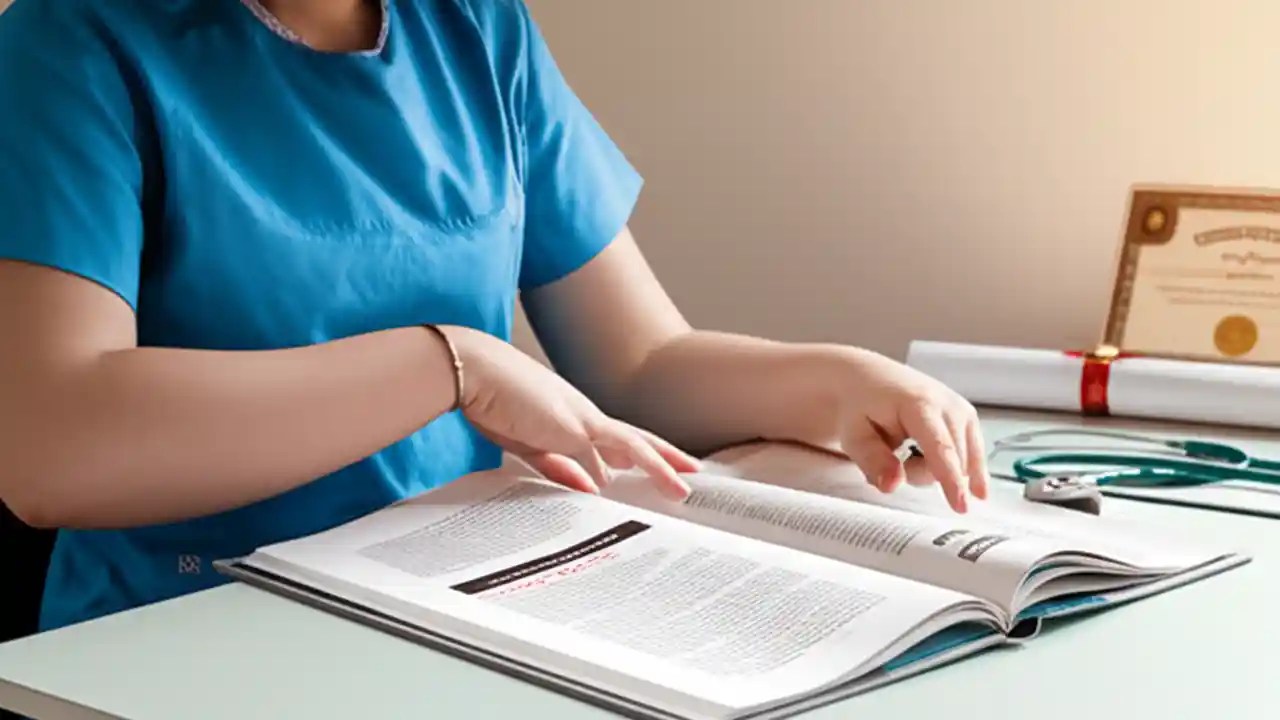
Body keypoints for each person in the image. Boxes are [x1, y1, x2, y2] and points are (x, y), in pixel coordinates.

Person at [0, 0, 988, 634]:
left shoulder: (475, 28)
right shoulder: (68, 42)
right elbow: (51, 448)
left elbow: (636, 364)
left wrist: (840, 380)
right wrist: (449, 363)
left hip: (460, 603)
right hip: (183, 626)